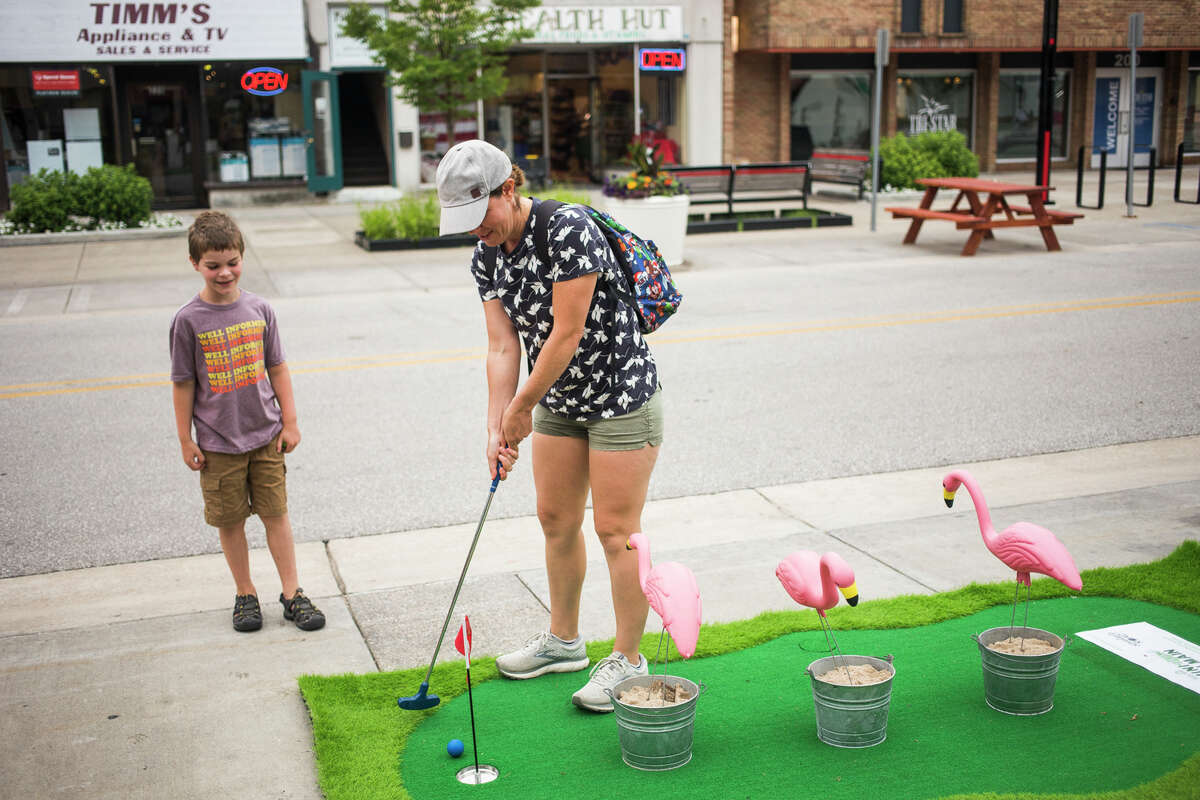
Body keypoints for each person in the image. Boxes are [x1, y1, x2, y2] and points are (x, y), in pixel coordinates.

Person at [437, 140, 665, 713]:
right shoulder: (486, 254)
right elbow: (500, 344)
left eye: (479, 214)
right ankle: (563, 641)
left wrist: (520, 410)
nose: (475, 230)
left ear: (508, 189)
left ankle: (629, 660)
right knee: (555, 519)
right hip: (559, 399)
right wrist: (497, 426)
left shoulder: (566, 229)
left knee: (617, 531)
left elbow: (566, 333)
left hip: (622, 395)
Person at [169, 211, 325, 634]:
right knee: (230, 520)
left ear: (243, 257)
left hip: (267, 438)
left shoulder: (259, 309)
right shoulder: (188, 321)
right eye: (213, 265)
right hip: (218, 445)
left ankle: (292, 593)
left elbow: (278, 367)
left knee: (276, 514)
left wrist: (289, 422)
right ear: (195, 264)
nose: (225, 272)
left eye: (232, 262)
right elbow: (182, 384)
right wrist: (186, 439)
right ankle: (245, 593)